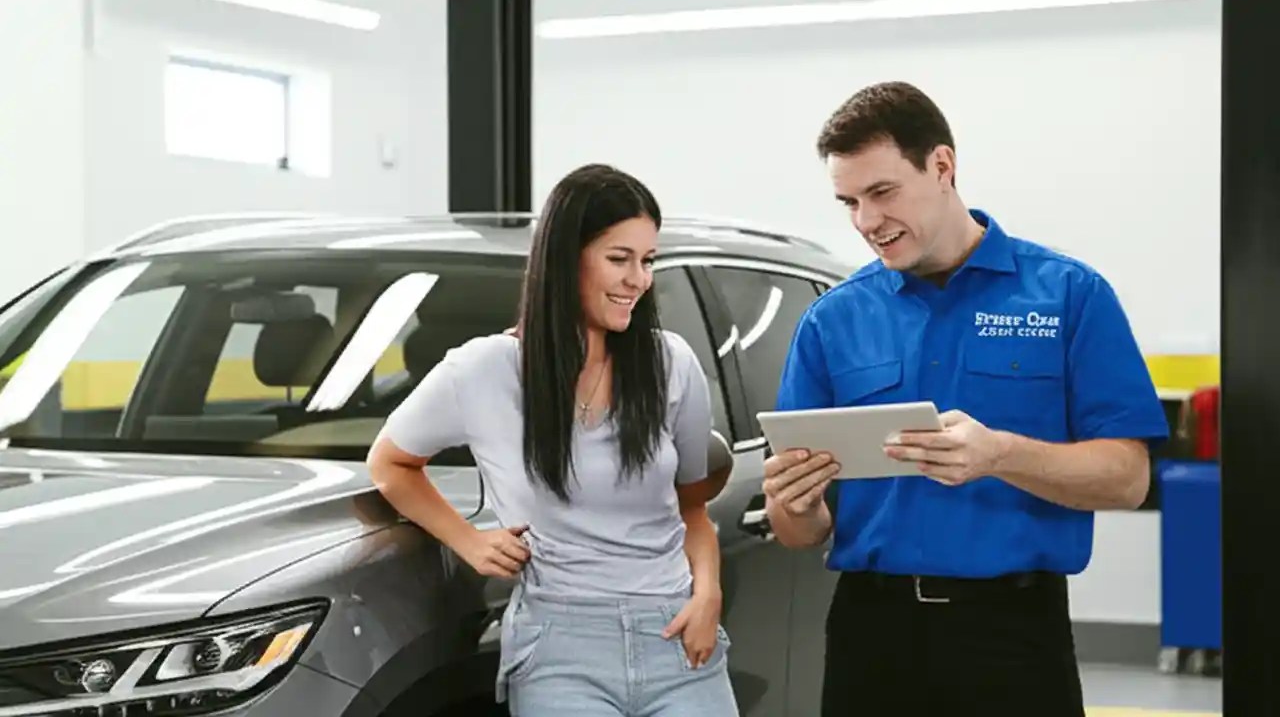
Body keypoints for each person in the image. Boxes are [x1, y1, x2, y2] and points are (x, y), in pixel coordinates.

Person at [761, 81, 1169, 716]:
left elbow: (1128, 480)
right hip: (872, 635)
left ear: (943, 167)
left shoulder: (1069, 296)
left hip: (1012, 634)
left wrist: (1001, 454)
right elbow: (800, 531)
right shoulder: (832, 320)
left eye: (882, 192)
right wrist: (794, 505)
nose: (867, 222)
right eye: (849, 202)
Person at [366, 163, 739, 716]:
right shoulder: (483, 370)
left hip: (676, 635)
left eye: (648, 261)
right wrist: (468, 541)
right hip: (560, 645)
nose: (639, 279)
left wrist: (707, 594)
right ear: (567, 259)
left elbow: (693, 512)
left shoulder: (671, 364)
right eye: (620, 259)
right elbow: (391, 463)